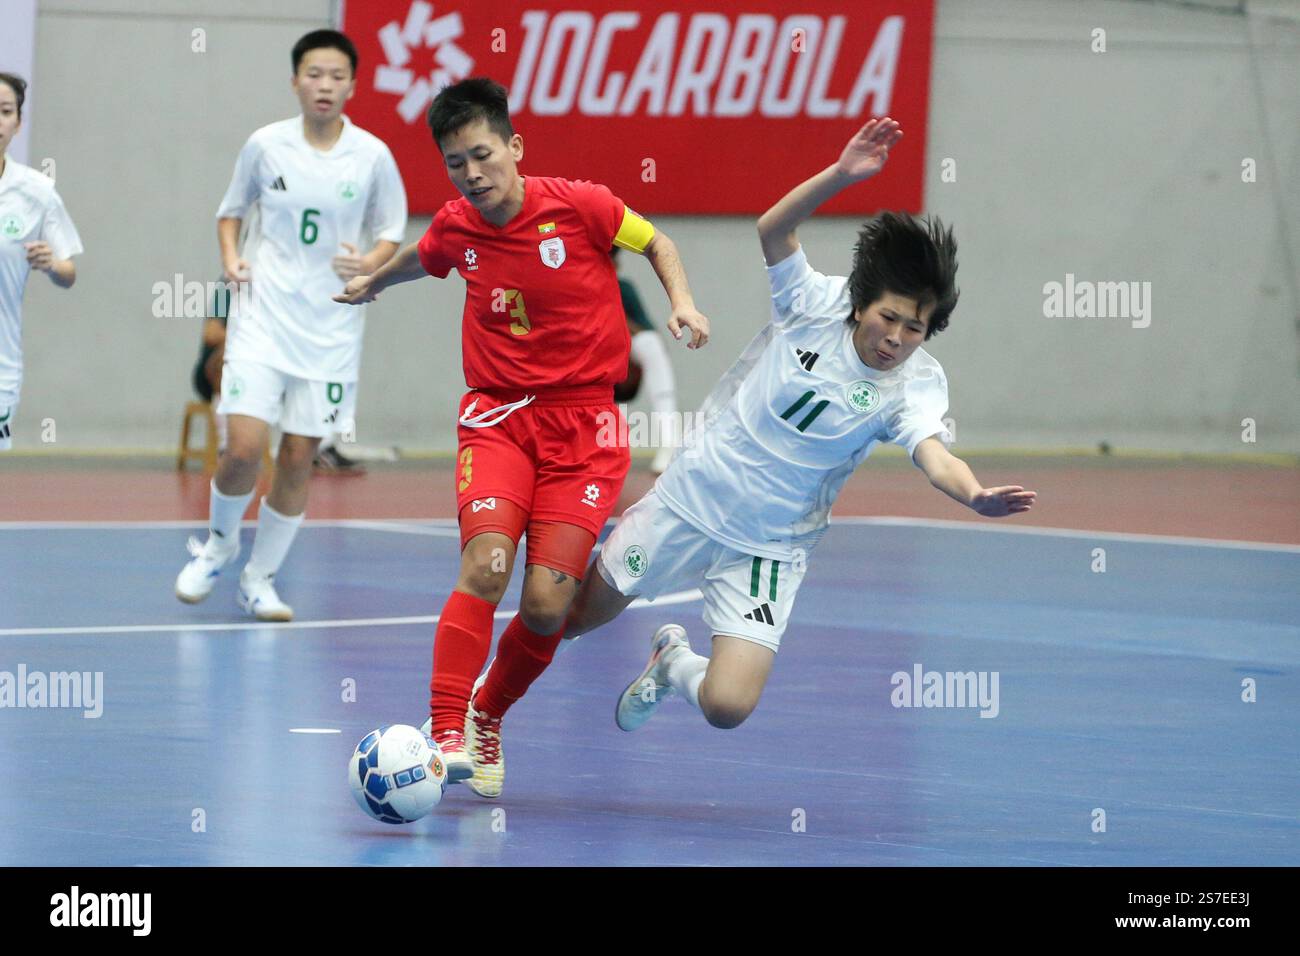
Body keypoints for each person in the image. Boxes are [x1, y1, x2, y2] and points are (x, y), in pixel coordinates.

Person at [467, 118, 1038, 788]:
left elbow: (934, 453)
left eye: (916, 328)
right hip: (691, 501)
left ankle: (672, 665)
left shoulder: (914, 382)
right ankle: (471, 712)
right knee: (562, 619)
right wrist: (843, 175)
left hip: (771, 546)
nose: (897, 338)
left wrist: (972, 493)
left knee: (728, 706)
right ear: (861, 305)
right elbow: (772, 229)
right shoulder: (813, 305)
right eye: (889, 318)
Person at [333, 77, 710, 793]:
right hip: (498, 419)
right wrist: (377, 281)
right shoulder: (458, 224)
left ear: (514, 146)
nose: (471, 174)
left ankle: (488, 710)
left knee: (546, 606)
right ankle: (444, 731)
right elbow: (427, 254)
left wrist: (683, 304)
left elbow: (656, 239)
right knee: (486, 566)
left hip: (588, 428)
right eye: (454, 163)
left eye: (482, 155)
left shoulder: (584, 206)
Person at [174, 29, 407, 620]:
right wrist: (231, 261)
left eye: (335, 76)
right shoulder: (265, 146)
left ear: (352, 85)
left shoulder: (373, 156)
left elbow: (391, 232)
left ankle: (261, 578)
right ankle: (220, 545)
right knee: (244, 447)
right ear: (295, 81)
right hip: (261, 321)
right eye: (313, 74)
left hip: (332, 329)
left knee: (300, 456)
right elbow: (229, 214)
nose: (324, 86)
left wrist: (371, 264)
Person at [0, 72, 81, 451]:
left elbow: (69, 272)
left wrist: (51, 264)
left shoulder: (37, 192)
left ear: (18, 122)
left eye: (4, 111)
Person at [610, 247, 681, 474]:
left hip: (638, 341)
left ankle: (669, 447)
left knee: (662, 393)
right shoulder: (599, 287)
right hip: (619, 343)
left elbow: (641, 328)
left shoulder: (623, 287)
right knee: (610, 399)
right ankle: (613, 450)